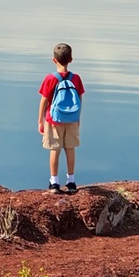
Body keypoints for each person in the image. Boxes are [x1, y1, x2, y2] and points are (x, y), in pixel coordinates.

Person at [38, 43, 84, 193]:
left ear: (54, 60)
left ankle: (54, 182)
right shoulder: (76, 78)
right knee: (70, 148)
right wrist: (78, 118)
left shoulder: (50, 78)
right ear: (71, 59)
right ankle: (71, 181)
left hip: (54, 119)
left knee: (54, 149)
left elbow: (44, 101)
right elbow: (80, 99)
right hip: (72, 119)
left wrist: (40, 120)